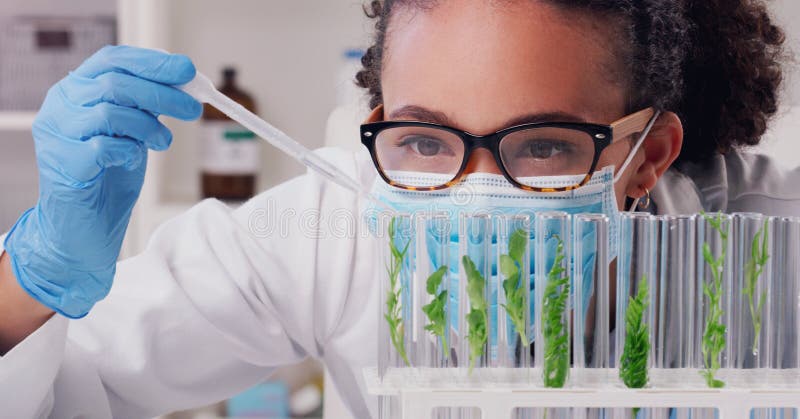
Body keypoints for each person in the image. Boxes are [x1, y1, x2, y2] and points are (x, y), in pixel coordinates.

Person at [0, 0, 797, 417]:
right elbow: (69, 392)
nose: (473, 195)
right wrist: (37, 276)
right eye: (424, 140)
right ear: (377, 123)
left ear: (646, 155)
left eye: (544, 145)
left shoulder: (771, 251)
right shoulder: (336, 228)